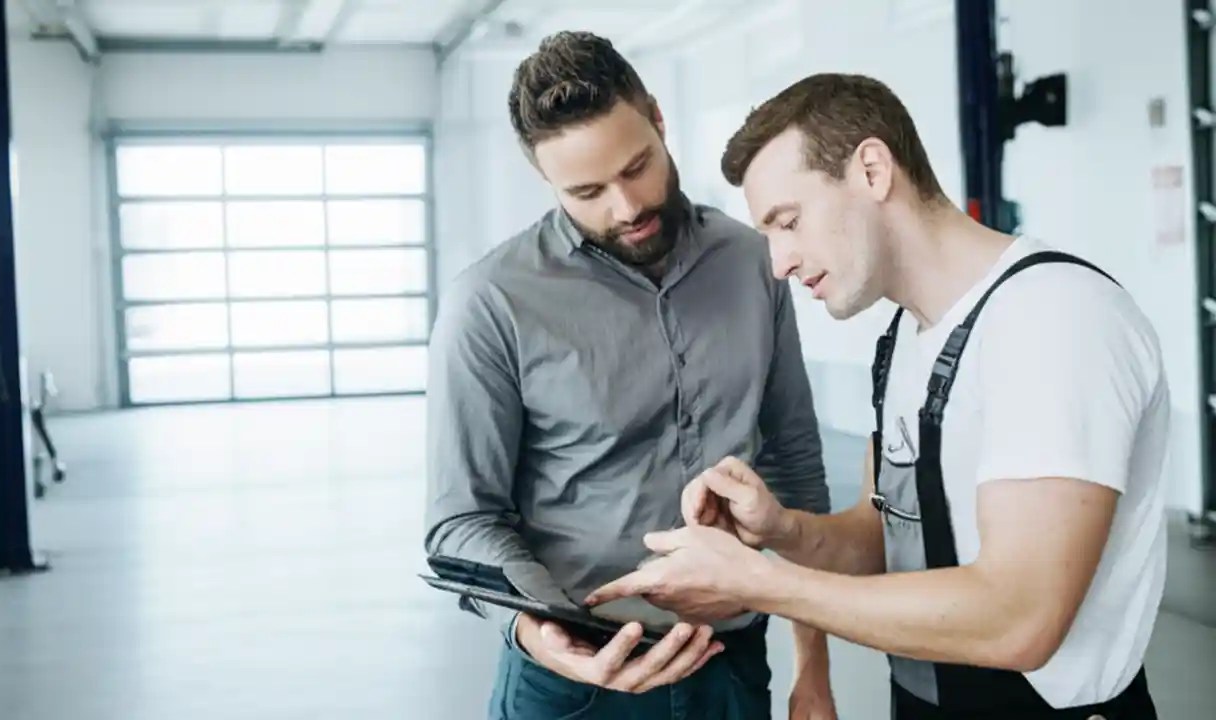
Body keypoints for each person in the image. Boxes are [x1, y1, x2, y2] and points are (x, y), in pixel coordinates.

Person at [586, 72, 1168, 719]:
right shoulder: (905, 339)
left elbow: (1018, 618)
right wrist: (782, 530)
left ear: (870, 169)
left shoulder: (1054, 317)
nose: (777, 262)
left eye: (789, 222)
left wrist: (759, 583)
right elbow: (886, 541)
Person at [424, 32, 837, 720]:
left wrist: (814, 672)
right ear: (544, 179)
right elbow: (461, 521)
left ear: (658, 119)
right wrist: (537, 629)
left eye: (638, 166)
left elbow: (797, 471)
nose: (625, 206)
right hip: (571, 679)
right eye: (586, 190)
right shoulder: (490, 303)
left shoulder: (751, 260)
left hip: (732, 665)